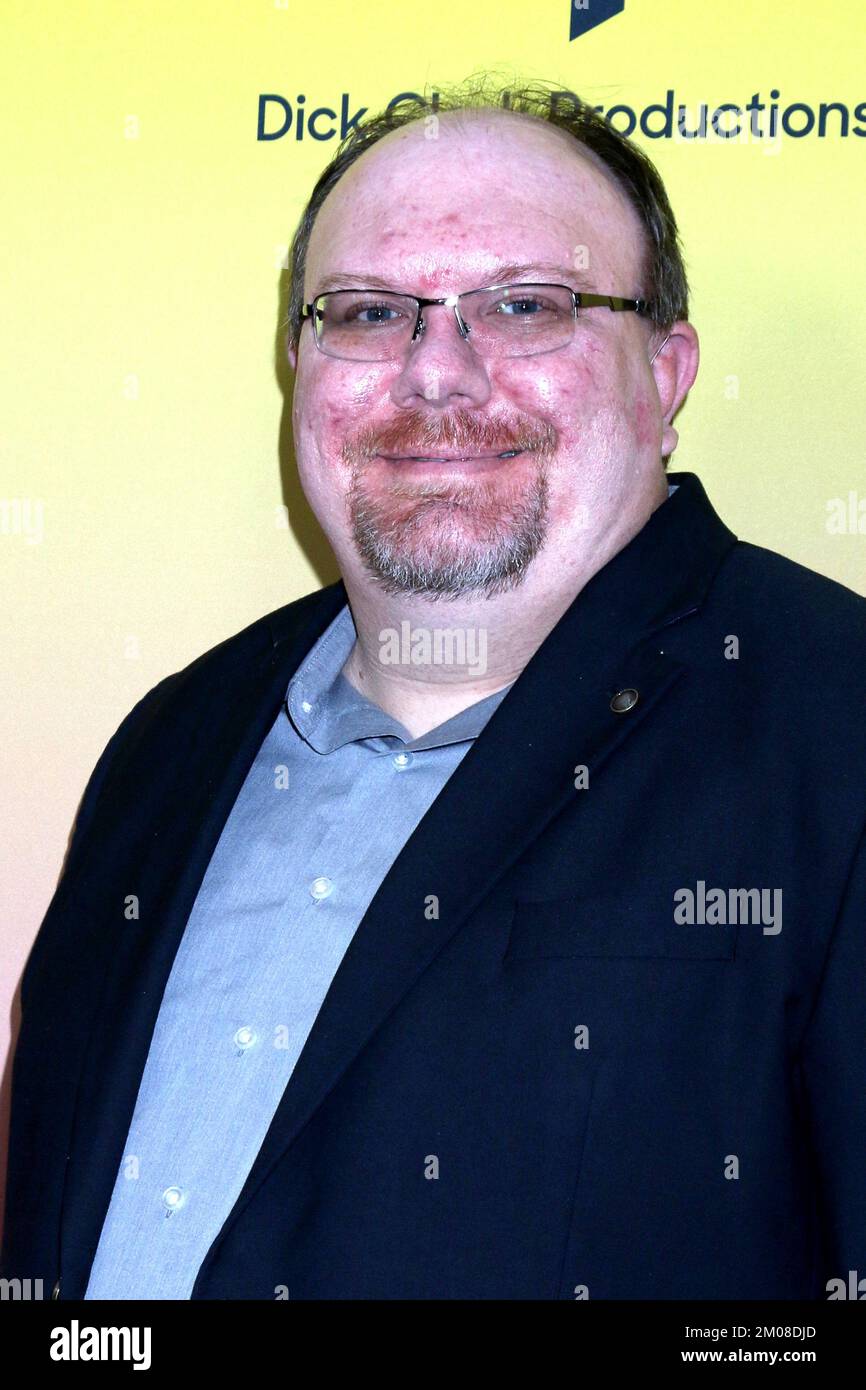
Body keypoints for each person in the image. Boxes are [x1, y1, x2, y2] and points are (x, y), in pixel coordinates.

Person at [3, 81, 865, 1301]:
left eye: (523, 305)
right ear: (296, 368)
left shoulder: (835, 727)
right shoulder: (167, 743)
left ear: (663, 374)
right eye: (366, 313)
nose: (434, 377)